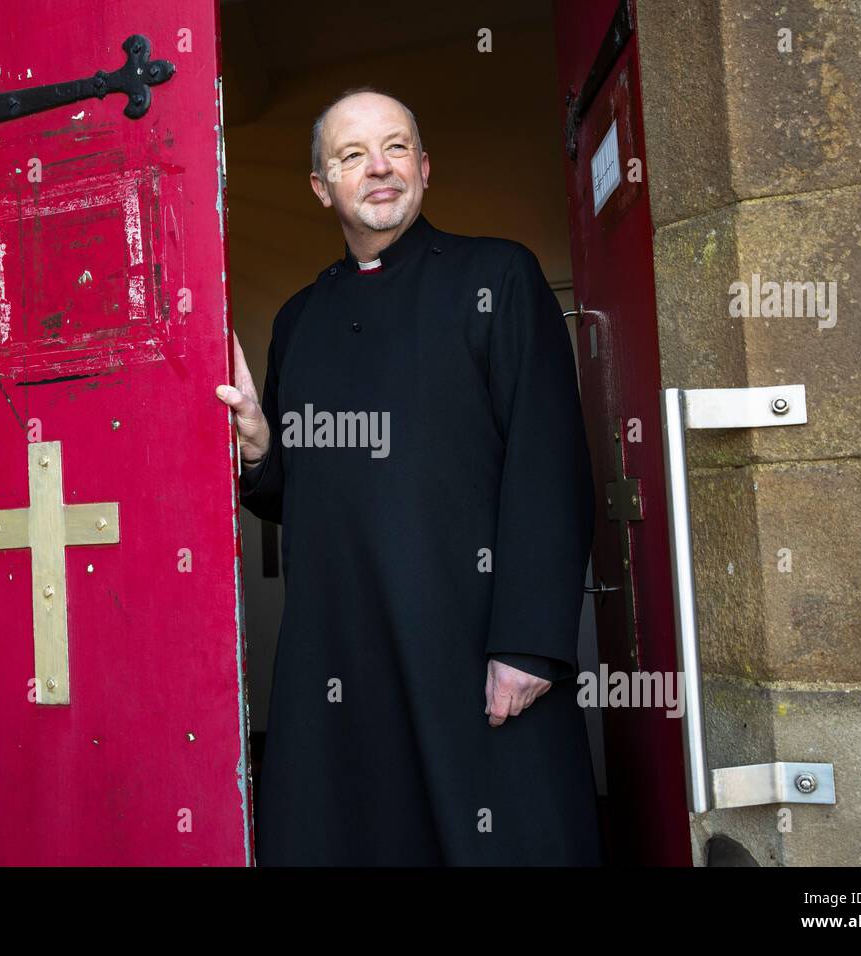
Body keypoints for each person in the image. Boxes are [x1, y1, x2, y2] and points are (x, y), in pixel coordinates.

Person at [215, 87, 601, 865]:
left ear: (423, 167)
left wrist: (528, 643)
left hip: (472, 643)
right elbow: (303, 496)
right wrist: (259, 450)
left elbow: (550, 463)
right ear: (323, 188)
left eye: (396, 147)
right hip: (341, 656)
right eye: (352, 155)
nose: (379, 167)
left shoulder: (499, 277)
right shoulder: (298, 319)